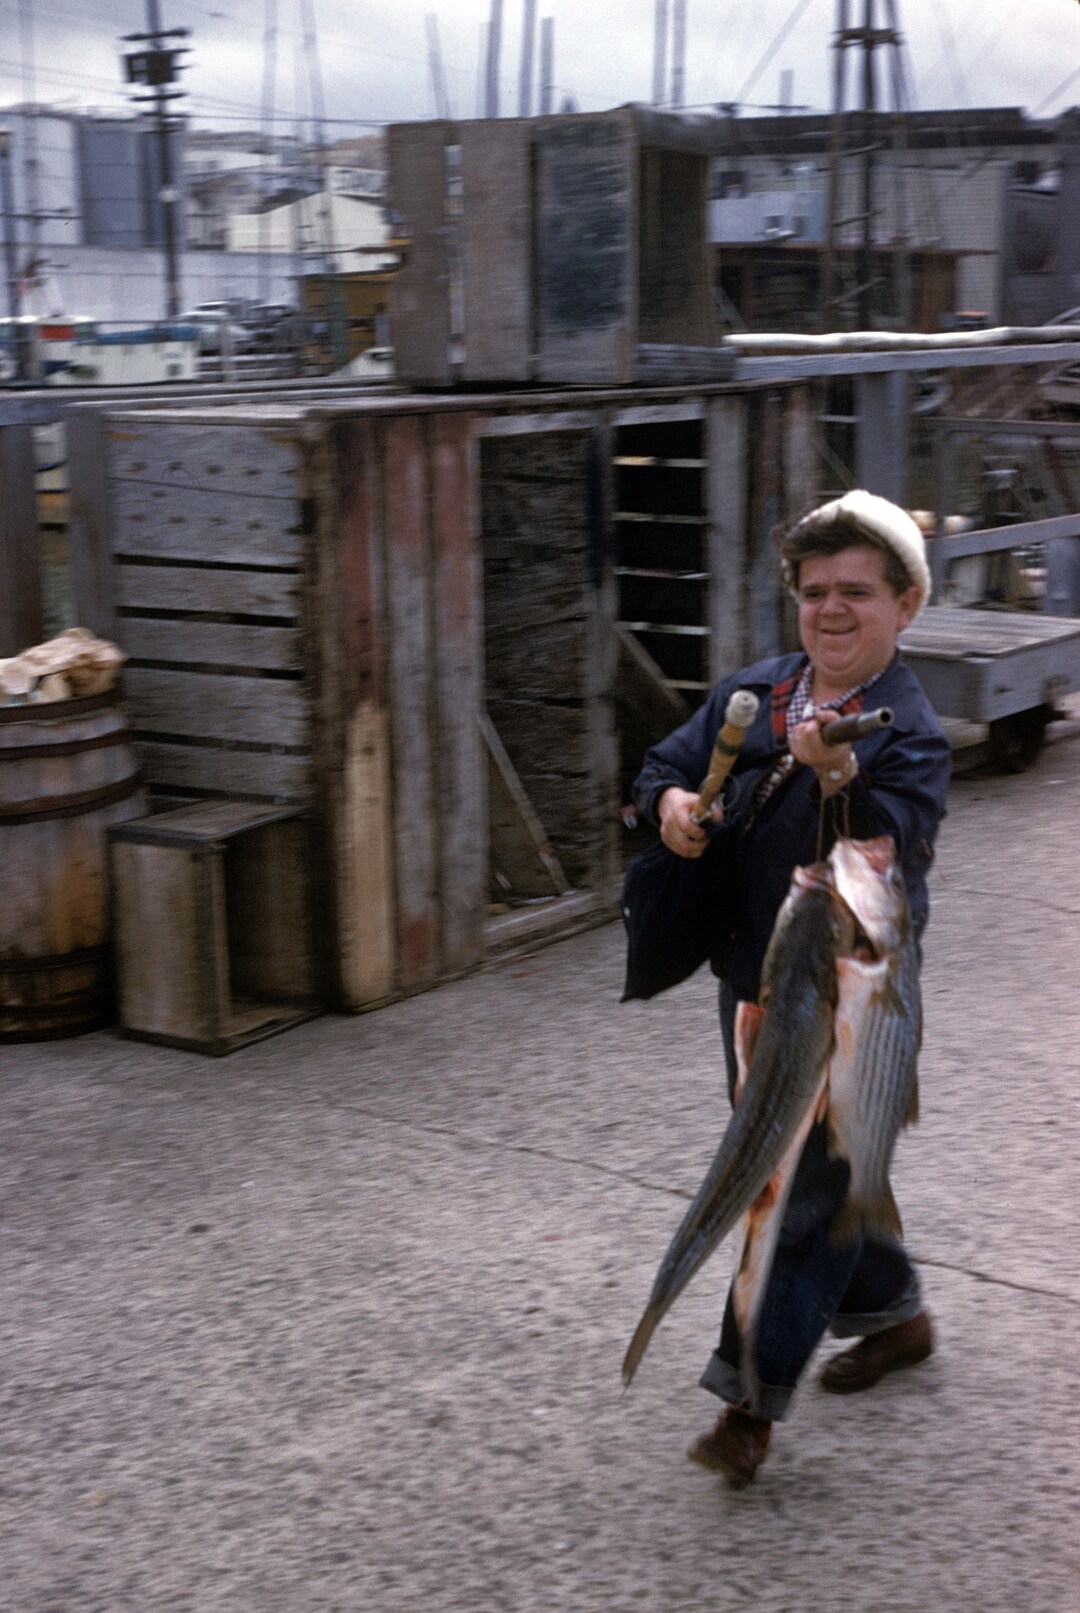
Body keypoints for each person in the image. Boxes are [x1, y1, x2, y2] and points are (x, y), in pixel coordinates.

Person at [631, 489, 951, 1488]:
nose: (833, 609)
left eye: (858, 590)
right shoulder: (759, 691)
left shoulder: (914, 731)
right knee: (810, 1166)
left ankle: (747, 1402)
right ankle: (895, 1314)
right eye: (816, 590)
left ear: (905, 603)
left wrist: (841, 777)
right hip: (756, 978)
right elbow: (664, 764)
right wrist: (676, 804)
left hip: (853, 992)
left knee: (789, 1186)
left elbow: (893, 832)